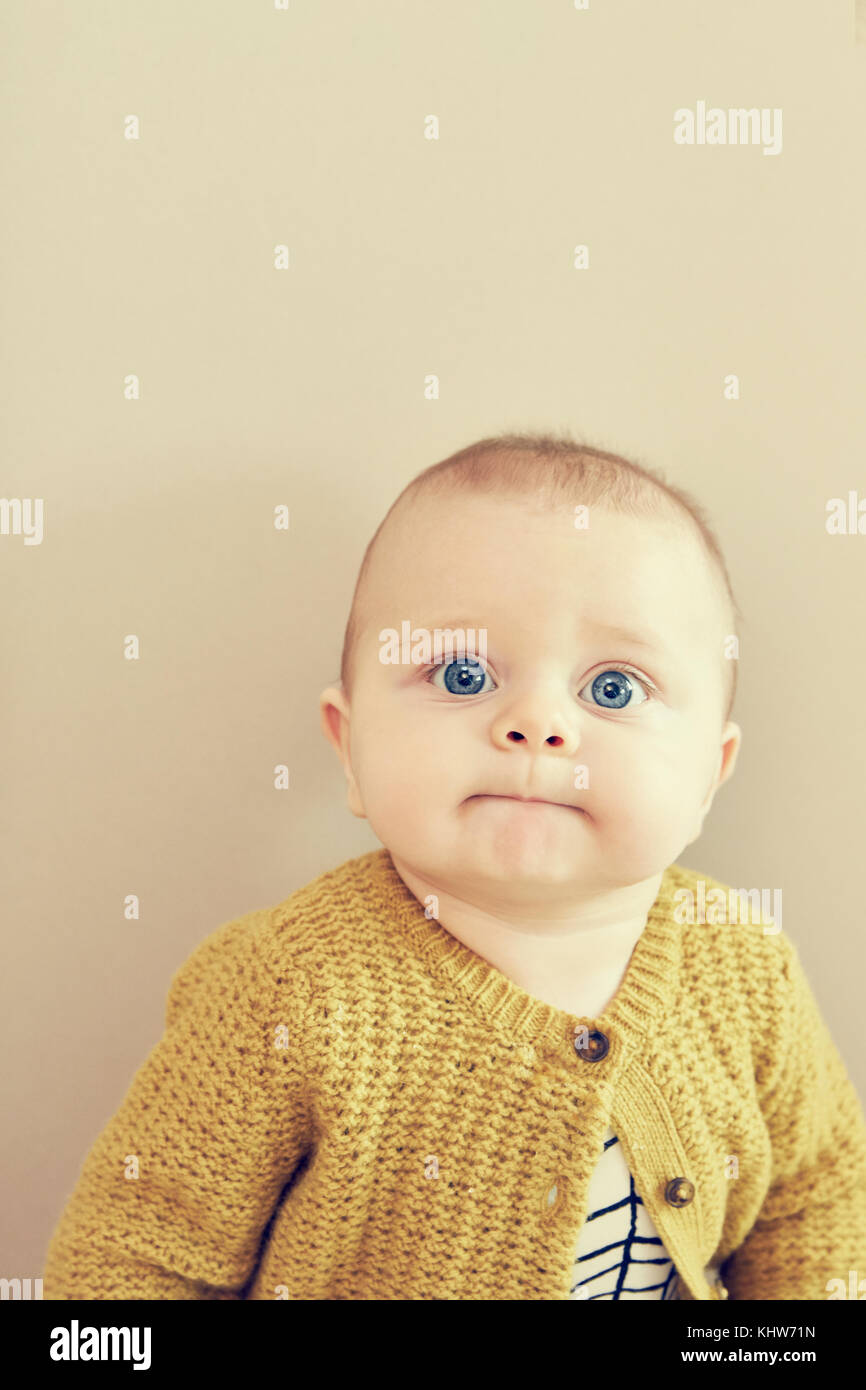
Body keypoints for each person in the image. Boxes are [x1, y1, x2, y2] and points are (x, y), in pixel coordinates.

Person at [43, 432, 866, 1300]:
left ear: (709, 775)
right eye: (465, 673)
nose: (539, 723)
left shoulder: (744, 968)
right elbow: (128, 1260)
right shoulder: (286, 989)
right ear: (349, 745)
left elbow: (818, 1205)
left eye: (615, 687)